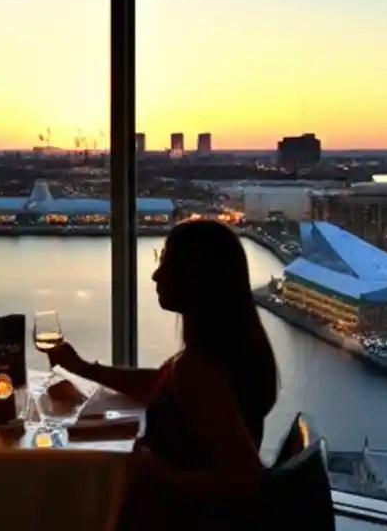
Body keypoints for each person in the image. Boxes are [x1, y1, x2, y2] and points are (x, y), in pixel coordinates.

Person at [44, 219, 278, 530]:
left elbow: (245, 479)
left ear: (196, 277)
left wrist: (155, 470)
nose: (155, 275)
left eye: (165, 263)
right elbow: (161, 382)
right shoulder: (232, 346)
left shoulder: (199, 369)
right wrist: (85, 368)